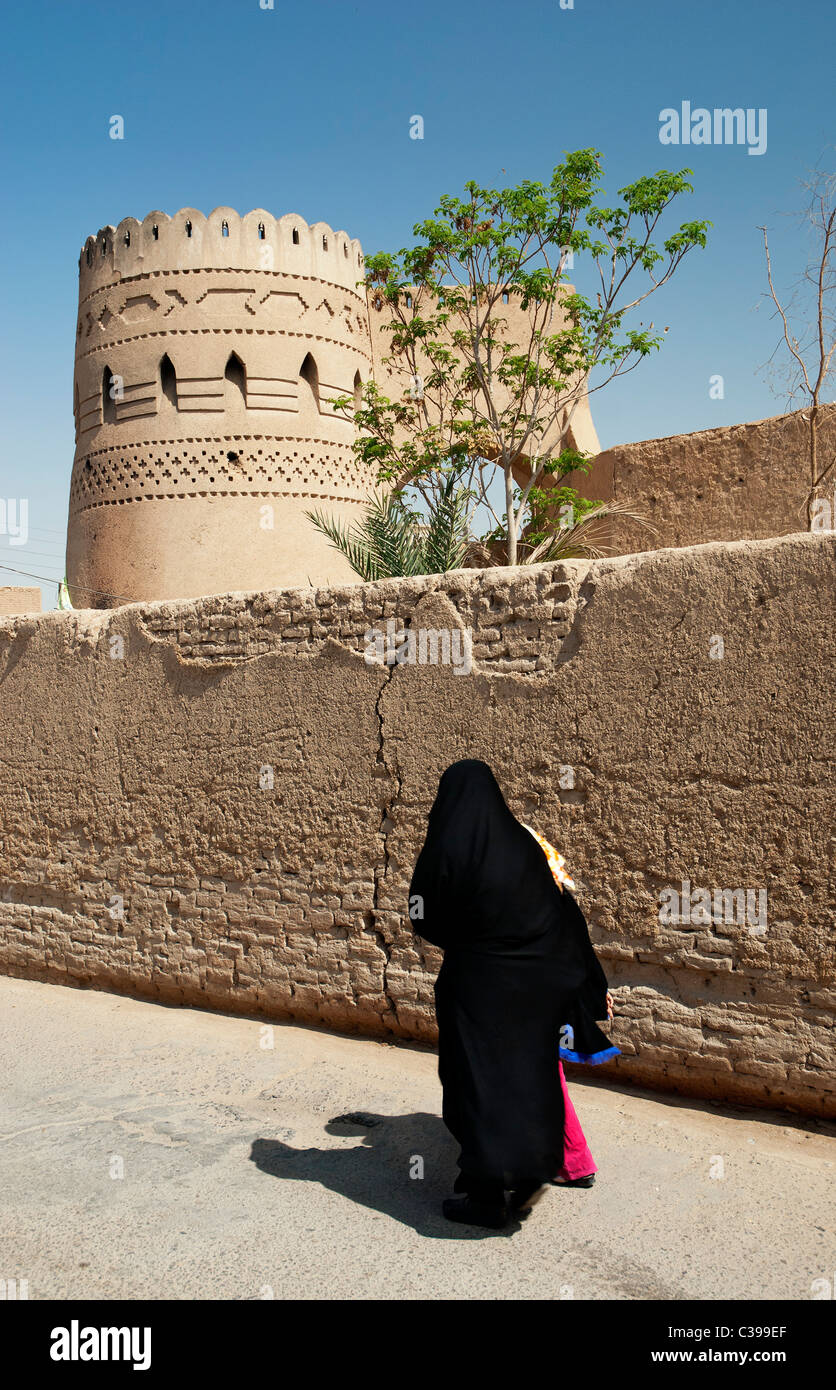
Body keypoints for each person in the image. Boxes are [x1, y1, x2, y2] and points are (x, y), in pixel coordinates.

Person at [409, 758, 619, 1229]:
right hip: (536, 989)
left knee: (479, 1085)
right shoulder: (526, 845)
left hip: (478, 991)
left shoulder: (449, 846)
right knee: (531, 1079)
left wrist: (470, 944)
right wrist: (583, 980)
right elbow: (564, 910)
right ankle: (546, 1167)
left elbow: (422, 914)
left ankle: (487, 1198)